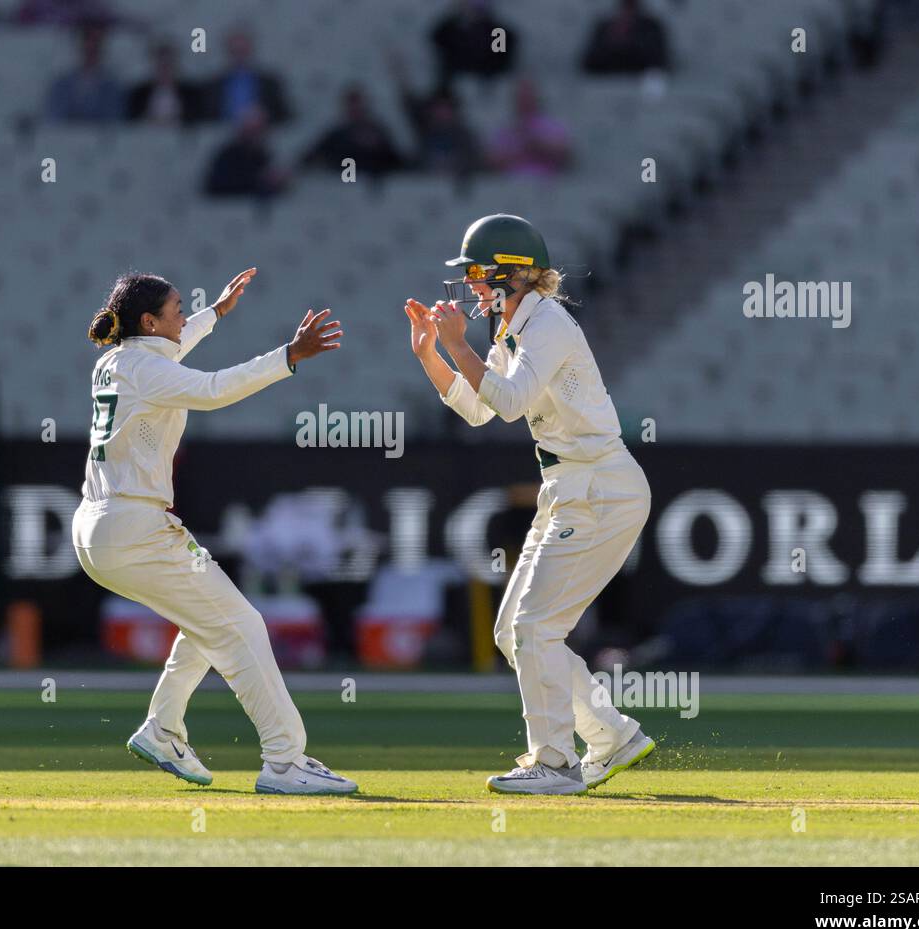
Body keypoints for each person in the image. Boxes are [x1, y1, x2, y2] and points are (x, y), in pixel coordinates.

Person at [72, 268, 357, 795]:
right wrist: (287, 356)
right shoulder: (144, 366)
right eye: (178, 309)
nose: (185, 315)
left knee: (208, 621)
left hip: (100, 526)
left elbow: (168, 356)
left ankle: (163, 728)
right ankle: (285, 761)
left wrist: (214, 316)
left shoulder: (117, 361)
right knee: (242, 625)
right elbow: (213, 390)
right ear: (149, 320)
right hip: (134, 528)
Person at [403, 214, 654, 795]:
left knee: (536, 626)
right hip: (573, 487)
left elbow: (511, 403)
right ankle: (612, 735)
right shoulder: (514, 326)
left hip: (598, 486)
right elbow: (480, 409)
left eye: (477, 273)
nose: (470, 286)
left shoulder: (546, 324)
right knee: (514, 634)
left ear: (512, 274)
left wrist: (457, 344)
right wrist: (431, 356)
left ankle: (556, 763)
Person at [300, 86, 406, 181]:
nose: (356, 109)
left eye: (358, 105)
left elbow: (395, 160)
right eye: (352, 105)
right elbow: (313, 154)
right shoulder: (337, 135)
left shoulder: (377, 131)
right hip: (345, 187)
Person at [486, 77, 573, 177]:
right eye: (521, 97)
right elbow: (492, 163)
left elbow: (566, 157)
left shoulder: (552, 127)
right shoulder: (505, 130)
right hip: (511, 185)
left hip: (546, 184)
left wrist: (537, 145)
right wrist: (518, 152)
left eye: (528, 96)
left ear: (536, 97)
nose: (525, 101)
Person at [204, 27, 291, 125]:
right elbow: (207, 118)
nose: (239, 56)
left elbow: (286, 115)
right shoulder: (214, 85)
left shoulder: (269, 82)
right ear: (228, 52)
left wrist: (264, 117)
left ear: (250, 51)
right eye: (235, 51)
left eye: (242, 51)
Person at [44, 24, 124, 124]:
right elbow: (53, 118)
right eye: (87, 42)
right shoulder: (61, 84)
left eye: (96, 44)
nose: (91, 47)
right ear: (80, 46)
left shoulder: (113, 86)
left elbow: (115, 119)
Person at [430, 0, 518, 87]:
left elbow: (501, 66)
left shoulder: (500, 34)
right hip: (455, 87)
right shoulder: (448, 33)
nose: (475, 8)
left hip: (490, 88)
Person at [202, 107, 287, 198]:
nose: (256, 136)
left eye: (260, 130)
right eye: (252, 130)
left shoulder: (264, 156)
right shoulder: (226, 155)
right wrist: (259, 181)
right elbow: (216, 185)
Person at [580, 0, 671, 75]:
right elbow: (587, 64)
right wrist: (613, 41)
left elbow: (659, 62)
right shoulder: (605, 28)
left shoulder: (651, 28)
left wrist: (630, 43)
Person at [127, 42, 207, 126]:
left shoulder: (191, 95)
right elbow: (131, 124)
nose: (165, 69)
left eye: (168, 64)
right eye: (160, 64)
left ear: (177, 65)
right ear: (153, 65)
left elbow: (198, 123)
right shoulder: (139, 94)